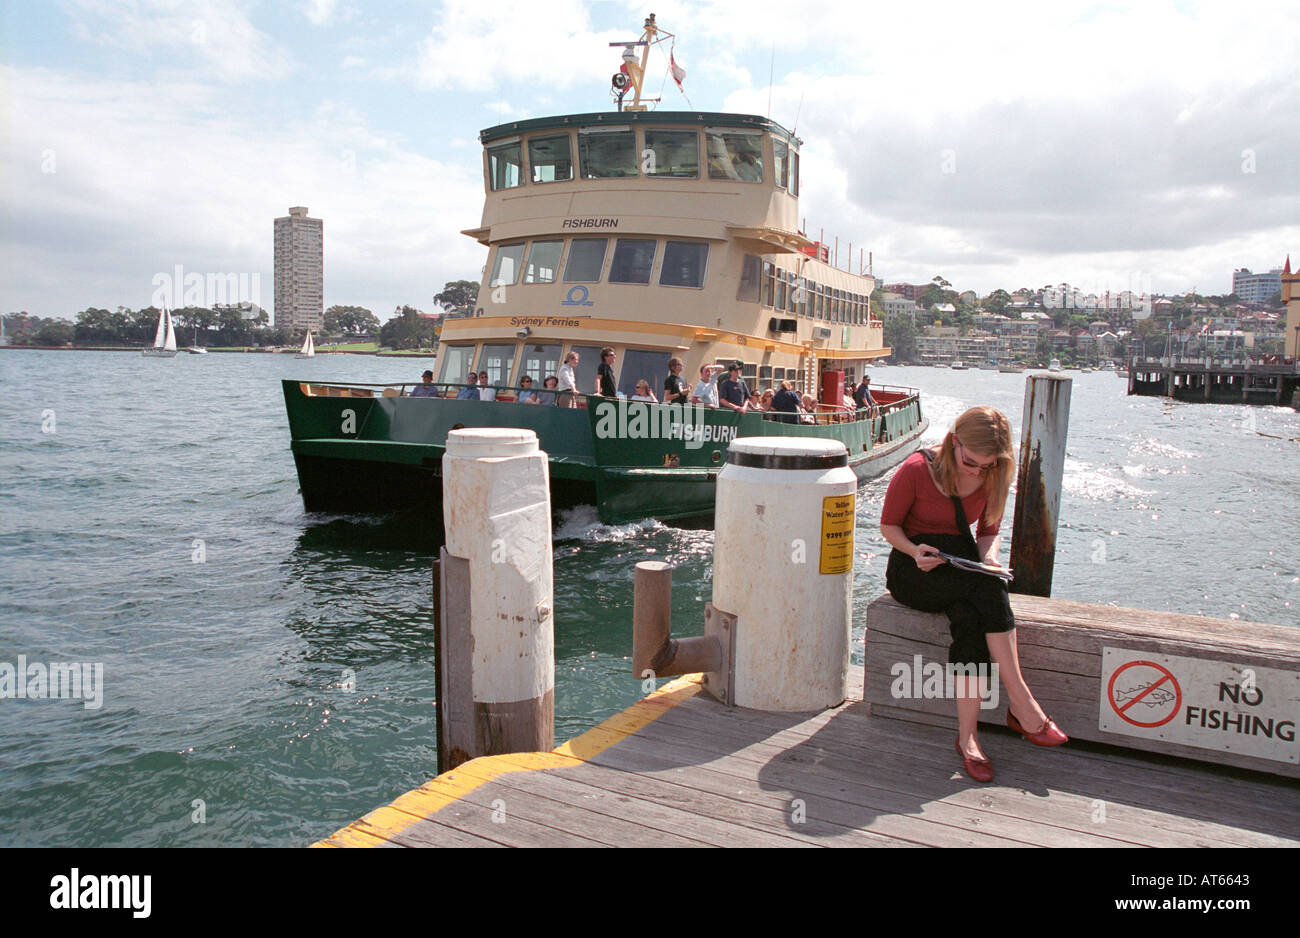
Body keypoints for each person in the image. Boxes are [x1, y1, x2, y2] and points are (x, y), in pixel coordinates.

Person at [879, 406, 1067, 784]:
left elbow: (988, 532)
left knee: (971, 616)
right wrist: (916, 551)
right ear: (954, 442)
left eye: (986, 465)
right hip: (914, 568)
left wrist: (989, 558)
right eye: (970, 462)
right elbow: (888, 527)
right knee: (990, 588)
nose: (977, 471)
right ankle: (1022, 703)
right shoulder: (917, 469)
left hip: (961, 567)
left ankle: (968, 739)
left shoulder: (994, 474)